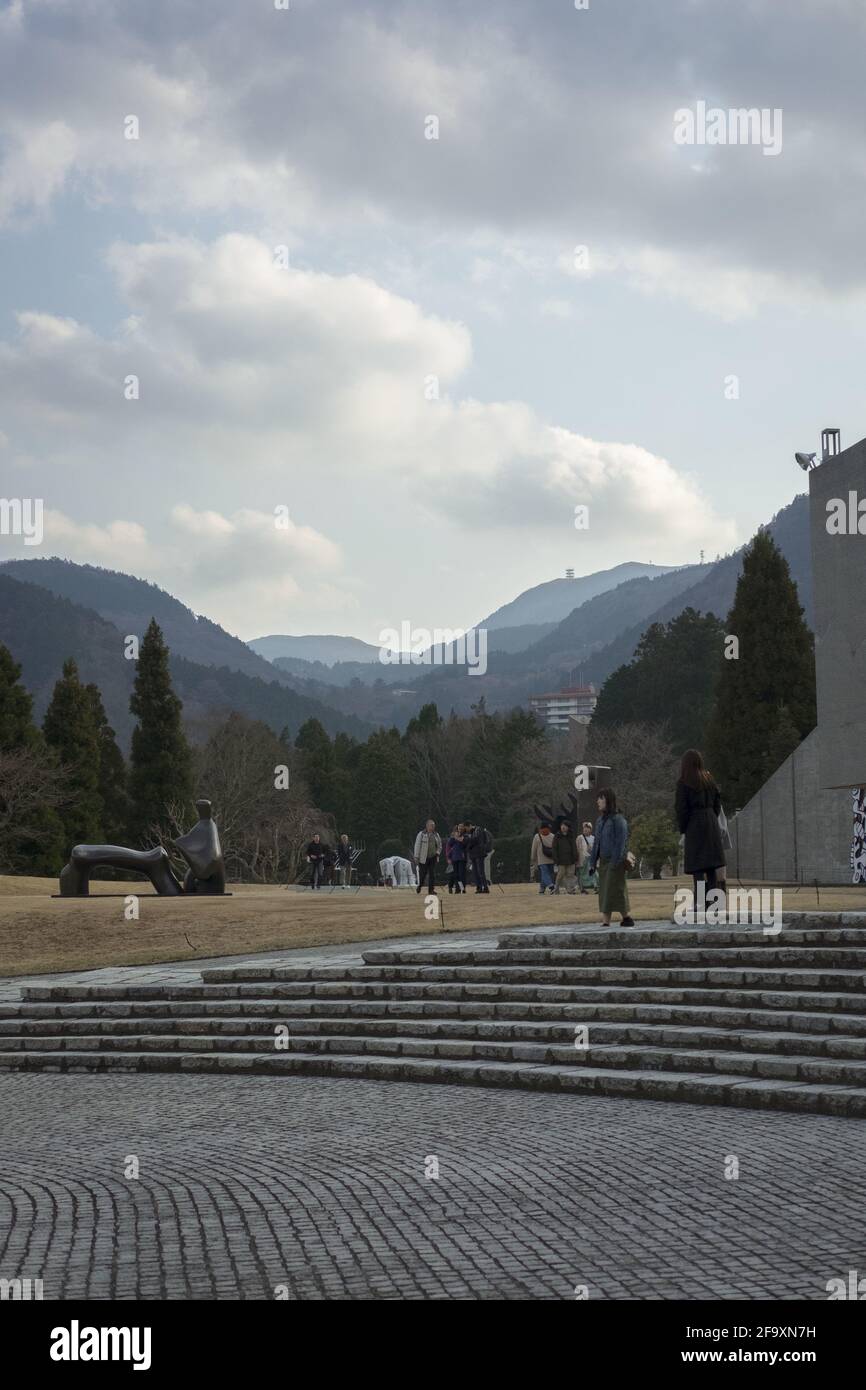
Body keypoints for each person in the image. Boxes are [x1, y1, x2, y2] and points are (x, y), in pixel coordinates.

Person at [675, 749, 726, 916]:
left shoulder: (684, 783)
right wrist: (711, 815)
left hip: (694, 824)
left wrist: (684, 828)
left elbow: (682, 809)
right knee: (711, 866)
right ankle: (714, 902)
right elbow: (717, 802)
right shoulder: (709, 779)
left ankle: (700, 902)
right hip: (710, 821)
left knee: (697, 867)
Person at [588, 789, 634, 926]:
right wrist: (592, 862)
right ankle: (611, 921)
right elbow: (597, 843)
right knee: (604, 891)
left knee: (616, 889)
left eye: (601, 798)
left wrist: (615, 862)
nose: (598, 801)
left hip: (615, 861)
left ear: (608, 800)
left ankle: (624, 918)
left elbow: (621, 842)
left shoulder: (618, 820)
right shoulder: (600, 820)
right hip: (603, 861)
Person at [413, 819, 442, 895]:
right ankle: (420, 886)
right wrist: (416, 856)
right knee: (423, 875)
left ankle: (431, 890)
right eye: (431, 825)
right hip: (423, 858)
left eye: (434, 825)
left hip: (433, 857)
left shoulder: (436, 834)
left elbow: (439, 846)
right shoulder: (421, 834)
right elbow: (417, 845)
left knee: (432, 874)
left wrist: (438, 853)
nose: (433, 827)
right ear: (427, 826)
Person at [466, 822, 493, 893]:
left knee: (481, 872)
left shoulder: (478, 830)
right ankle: (479, 888)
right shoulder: (471, 833)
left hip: (479, 854)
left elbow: (475, 840)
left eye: (467, 828)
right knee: (475, 872)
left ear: (470, 826)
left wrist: (468, 840)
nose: (467, 830)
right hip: (473, 854)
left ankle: (485, 887)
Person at [530, 824, 556, 894]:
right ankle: (542, 888)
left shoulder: (537, 836)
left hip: (541, 860)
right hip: (551, 858)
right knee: (549, 874)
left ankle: (551, 887)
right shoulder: (553, 836)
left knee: (544, 874)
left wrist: (533, 858)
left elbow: (534, 848)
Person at [552, 820, 577, 894]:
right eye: (562, 825)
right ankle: (556, 889)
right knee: (560, 875)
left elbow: (574, 847)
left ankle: (570, 890)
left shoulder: (571, 835)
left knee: (570, 875)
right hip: (561, 860)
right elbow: (554, 848)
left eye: (565, 825)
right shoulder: (557, 836)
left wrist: (575, 857)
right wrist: (556, 859)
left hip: (570, 859)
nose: (563, 827)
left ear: (568, 827)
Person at [446, 824, 468, 893]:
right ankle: (457, 888)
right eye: (459, 828)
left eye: (461, 828)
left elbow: (465, 843)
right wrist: (454, 837)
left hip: (462, 858)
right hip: (454, 858)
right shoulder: (454, 836)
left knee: (462, 874)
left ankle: (462, 888)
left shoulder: (465, 836)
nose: (460, 829)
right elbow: (449, 844)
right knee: (456, 875)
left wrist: (458, 838)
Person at [576, 821, 597, 893]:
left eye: (588, 828)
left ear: (591, 829)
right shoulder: (579, 837)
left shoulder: (593, 838)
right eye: (585, 828)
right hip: (582, 858)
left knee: (593, 873)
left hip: (591, 858)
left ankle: (595, 886)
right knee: (582, 873)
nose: (586, 829)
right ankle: (582, 888)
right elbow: (577, 848)